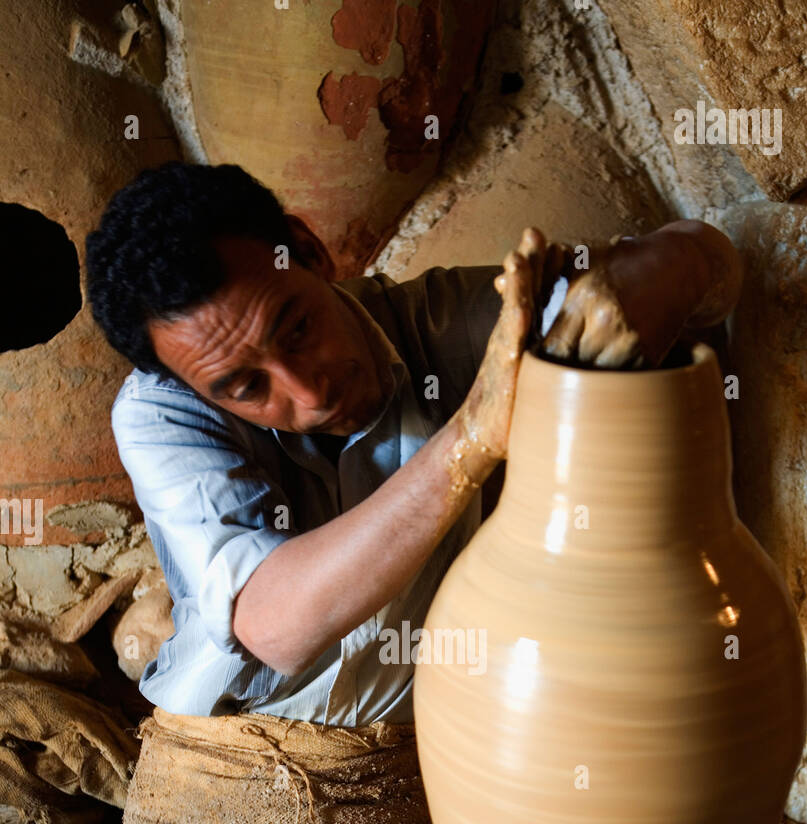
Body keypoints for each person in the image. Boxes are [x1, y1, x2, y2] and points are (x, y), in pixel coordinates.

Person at [85, 161, 742, 725]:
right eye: (247, 387)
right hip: (233, 757)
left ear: (308, 250)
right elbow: (274, 625)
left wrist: (654, 273)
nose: (308, 393)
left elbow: (705, 256)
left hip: (443, 742)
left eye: (298, 328)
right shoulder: (160, 414)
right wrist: (474, 434)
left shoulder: (447, 321)